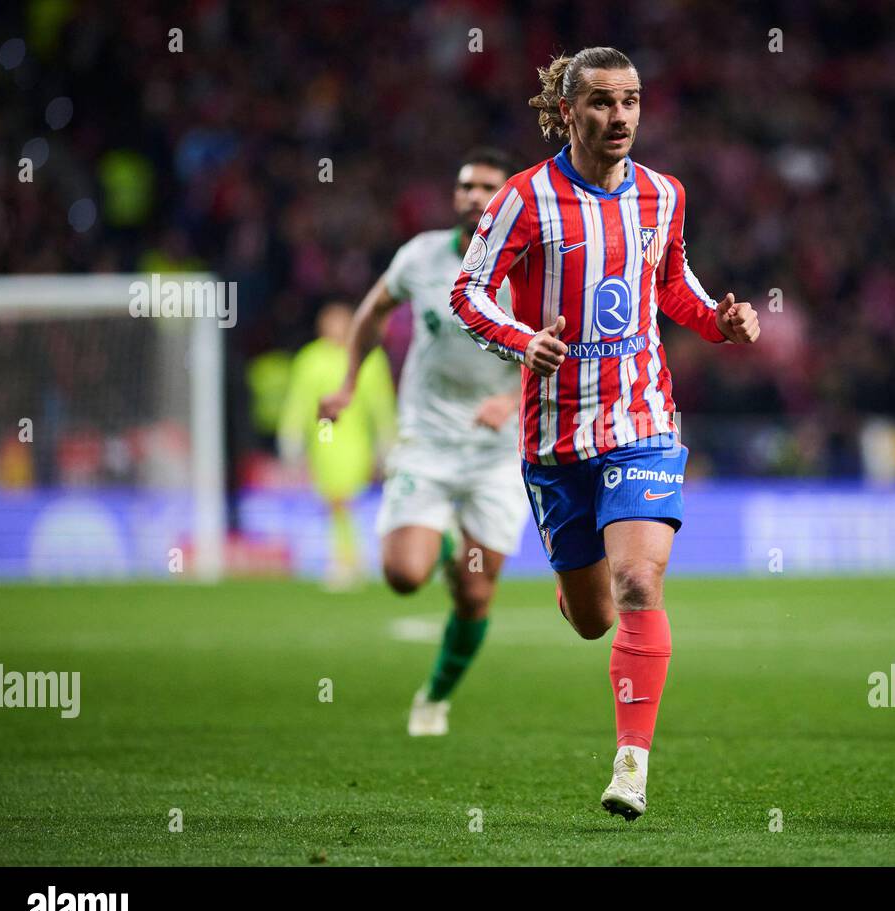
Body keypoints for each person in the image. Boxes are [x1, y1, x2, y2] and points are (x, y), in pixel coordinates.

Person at [450, 48, 759, 819]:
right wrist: (525, 342)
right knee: (593, 617)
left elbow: (673, 285)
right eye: (600, 103)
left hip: (641, 421)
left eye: (630, 101)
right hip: (555, 438)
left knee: (638, 584)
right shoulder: (525, 200)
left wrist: (719, 324)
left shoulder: (663, 195)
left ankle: (631, 766)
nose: (619, 116)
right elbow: (468, 292)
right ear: (566, 111)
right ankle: (575, 589)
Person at [320, 149, 526, 736]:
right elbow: (373, 311)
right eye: (466, 185)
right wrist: (348, 383)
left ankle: (435, 694)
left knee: (474, 593)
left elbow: (560, 347)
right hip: (428, 439)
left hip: (497, 450)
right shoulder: (421, 255)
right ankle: (438, 541)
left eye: (488, 186)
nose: (474, 196)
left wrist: (512, 399)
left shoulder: (532, 267)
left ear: (506, 198)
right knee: (405, 575)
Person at [279, 301, 395, 590]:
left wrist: (387, 439)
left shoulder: (367, 357)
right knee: (335, 502)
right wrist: (291, 436)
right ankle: (350, 558)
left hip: (355, 440)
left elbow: (380, 403)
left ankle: (346, 561)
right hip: (324, 440)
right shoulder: (310, 359)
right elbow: (299, 401)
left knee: (341, 499)